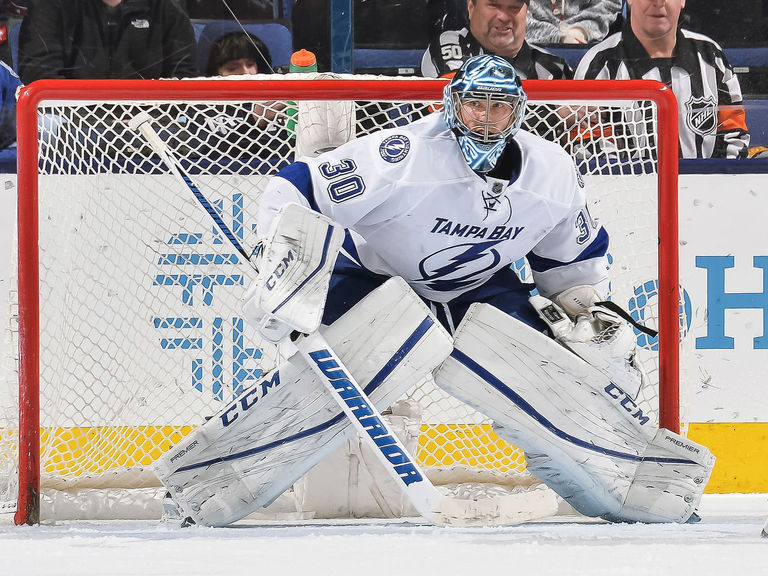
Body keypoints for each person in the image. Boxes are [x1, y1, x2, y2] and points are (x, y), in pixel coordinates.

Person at [574, 0, 750, 159]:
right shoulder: (599, 63)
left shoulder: (712, 56)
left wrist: (710, 185)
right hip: (628, 192)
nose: (659, 2)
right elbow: (591, 150)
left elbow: (734, 136)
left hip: (705, 192)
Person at [17, 0, 196, 83]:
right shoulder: (49, 5)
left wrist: (146, 118)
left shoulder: (168, 7)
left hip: (152, 123)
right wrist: (99, 119)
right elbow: (39, 77)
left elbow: (182, 77)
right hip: (73, 125)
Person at [421, 0, 573, 80]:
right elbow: (465, 107)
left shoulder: (555, 68)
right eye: (493, 5)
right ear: (471, 7)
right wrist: (552, 113)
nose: (504, 17)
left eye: (514, 7)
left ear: (526, 13)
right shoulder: (450, 45)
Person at [526, 0, 623, 44]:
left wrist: (582, 30)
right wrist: (558, 37)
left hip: (594, 50)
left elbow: (610, 5)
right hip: (530, 53)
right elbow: (515, 13)